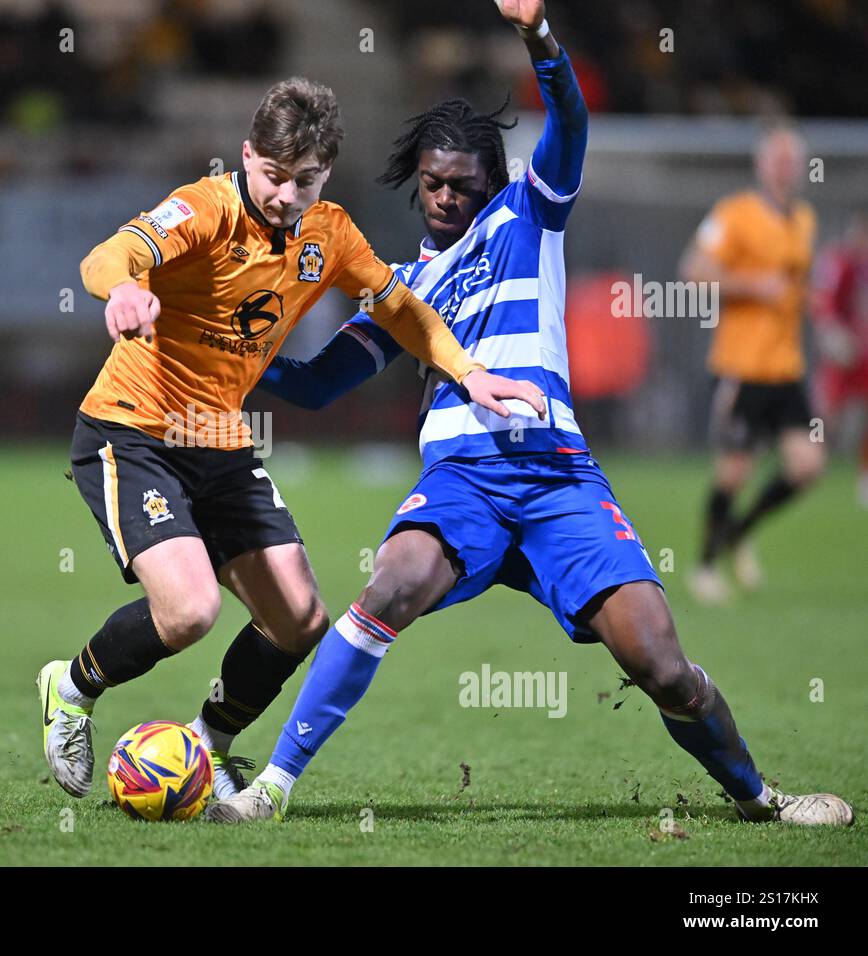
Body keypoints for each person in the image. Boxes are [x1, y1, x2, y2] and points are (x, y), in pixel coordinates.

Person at [206, 0, 852, 828]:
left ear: (493, 185)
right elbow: (321, 384)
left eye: (462, 186)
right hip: (463, 483)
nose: (444, 197)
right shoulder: (405, 291)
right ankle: (273, 789)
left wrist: (538, 37)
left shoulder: (530, 217)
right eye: (433, 183)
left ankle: (761, 799)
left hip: (556, 479)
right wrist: (233, 359)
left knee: (660, 665)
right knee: (391, 583)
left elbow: (571, 119)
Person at [37, 74, 545, 801]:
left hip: (220, 440)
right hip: (133, 431)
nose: (286, 195)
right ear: (247, 158)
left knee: (300, 619)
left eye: (304, 180)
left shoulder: (329, 233)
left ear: (326, 172)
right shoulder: (205, 209)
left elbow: (402, 310)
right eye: (273, 176)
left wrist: (469, 372)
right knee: (188, 613)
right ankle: (72, 688)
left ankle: (206, 748)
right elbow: (108, 255)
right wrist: (121, 289)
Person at [680, 125, 820, 603]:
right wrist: (752, 285)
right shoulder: (734, 213)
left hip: (788, 367)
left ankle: (738, 532)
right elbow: (694, 269)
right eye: (776, 158)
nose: (784, 167)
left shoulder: (803, 219)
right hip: (742, 365)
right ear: (762, 165)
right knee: (734, 470)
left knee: (807, 465)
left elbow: (797, 289)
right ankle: (703, 564)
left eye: (791, 159)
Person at [810, 212, 868, 507]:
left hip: (865, 353)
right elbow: (823, 304)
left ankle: (864, 473)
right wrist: (833, 337)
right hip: (843, 351)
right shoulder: (838, 262)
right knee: (827, 411)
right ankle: (812, 466)